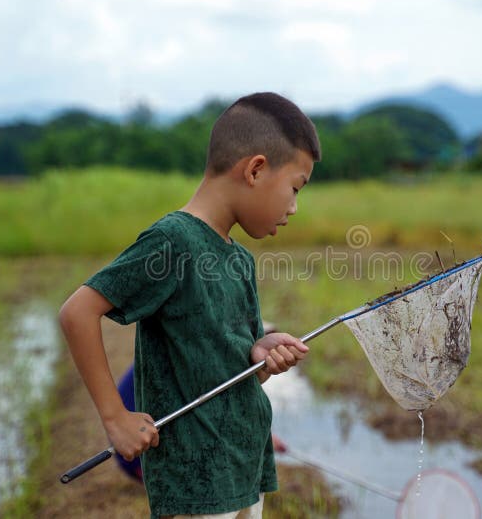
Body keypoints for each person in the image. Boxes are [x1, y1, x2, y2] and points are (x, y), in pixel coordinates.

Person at [58, 92, 320, 518]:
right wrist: (115, 416)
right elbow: (77, 313)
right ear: (255, 170)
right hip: (195, 483)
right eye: (294, 188)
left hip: (243, 469)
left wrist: (260, 353)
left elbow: (236, 355)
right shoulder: (172, 242)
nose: (293, 208)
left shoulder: (238, 260)